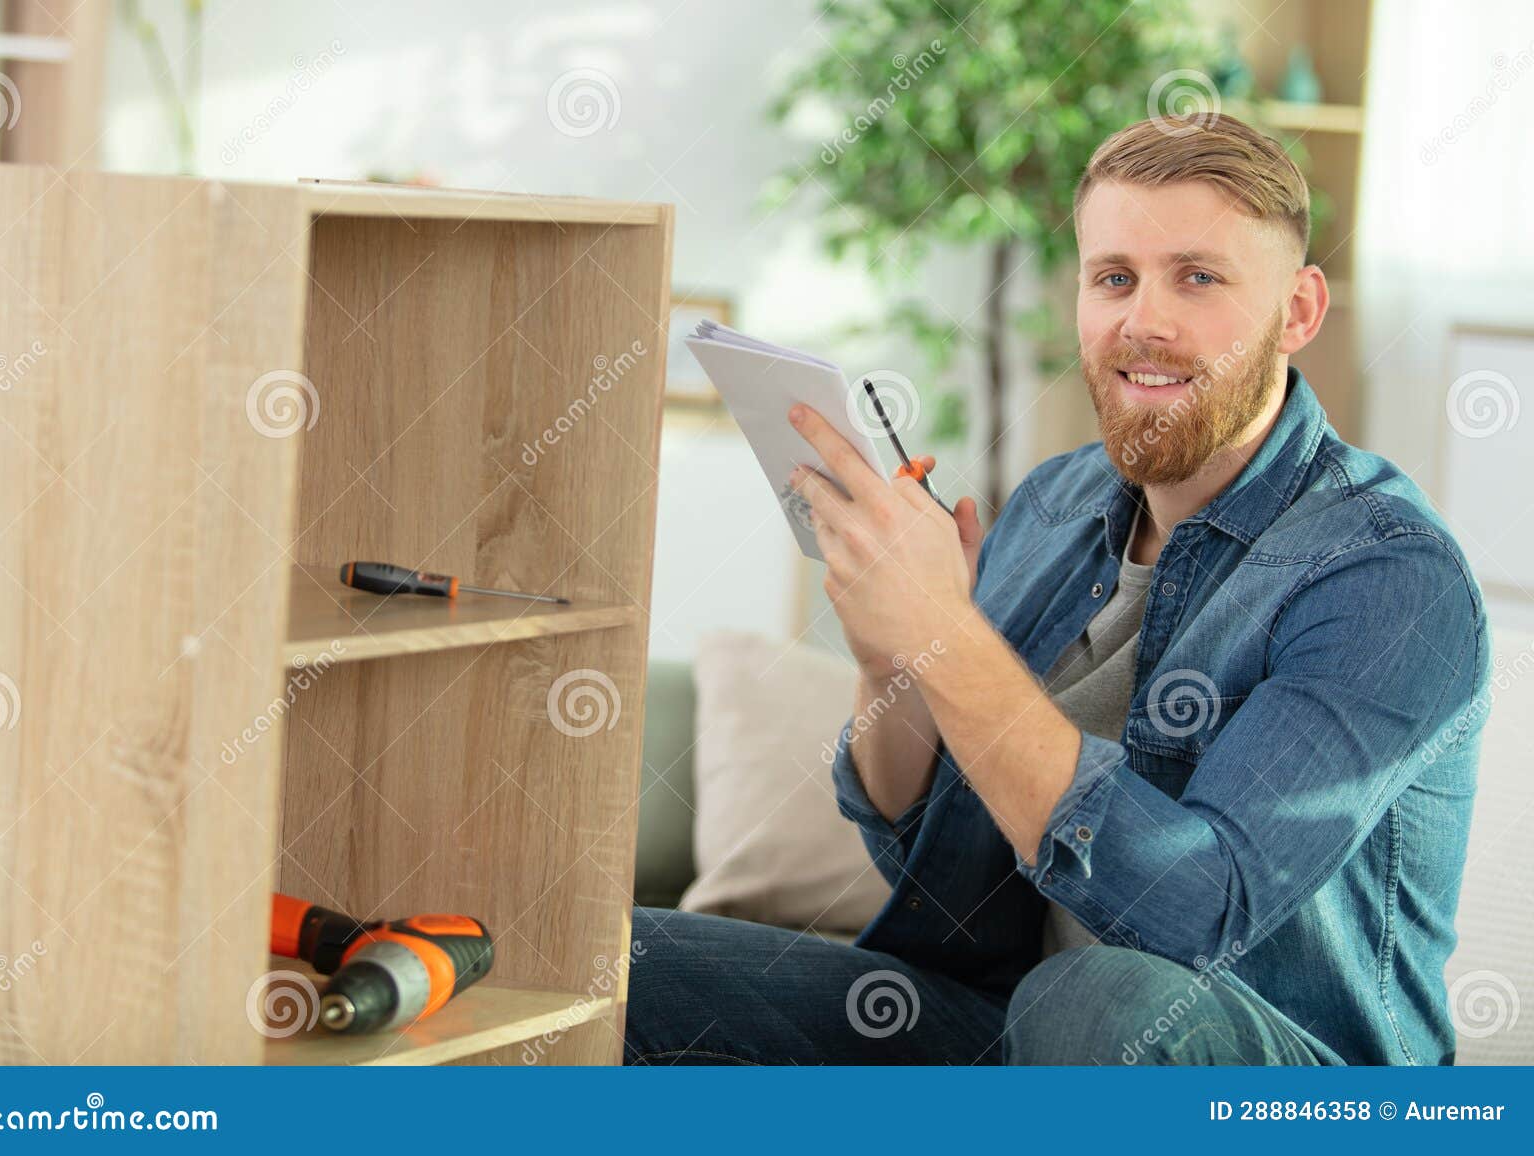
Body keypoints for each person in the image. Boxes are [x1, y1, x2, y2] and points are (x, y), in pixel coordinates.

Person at [625, 114, 1488, 1066]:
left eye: (1197, 277)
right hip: (1006, 1026)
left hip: (1271, 1074)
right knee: (621, 959)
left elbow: (1195, 911)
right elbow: (918, 859)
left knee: (1095, 998)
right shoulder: (1054, 503)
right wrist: (893, 661)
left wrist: (946, 633)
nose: (1142, 321)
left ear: (1298, 311)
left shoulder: (1388, 575)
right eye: (1113, 277)